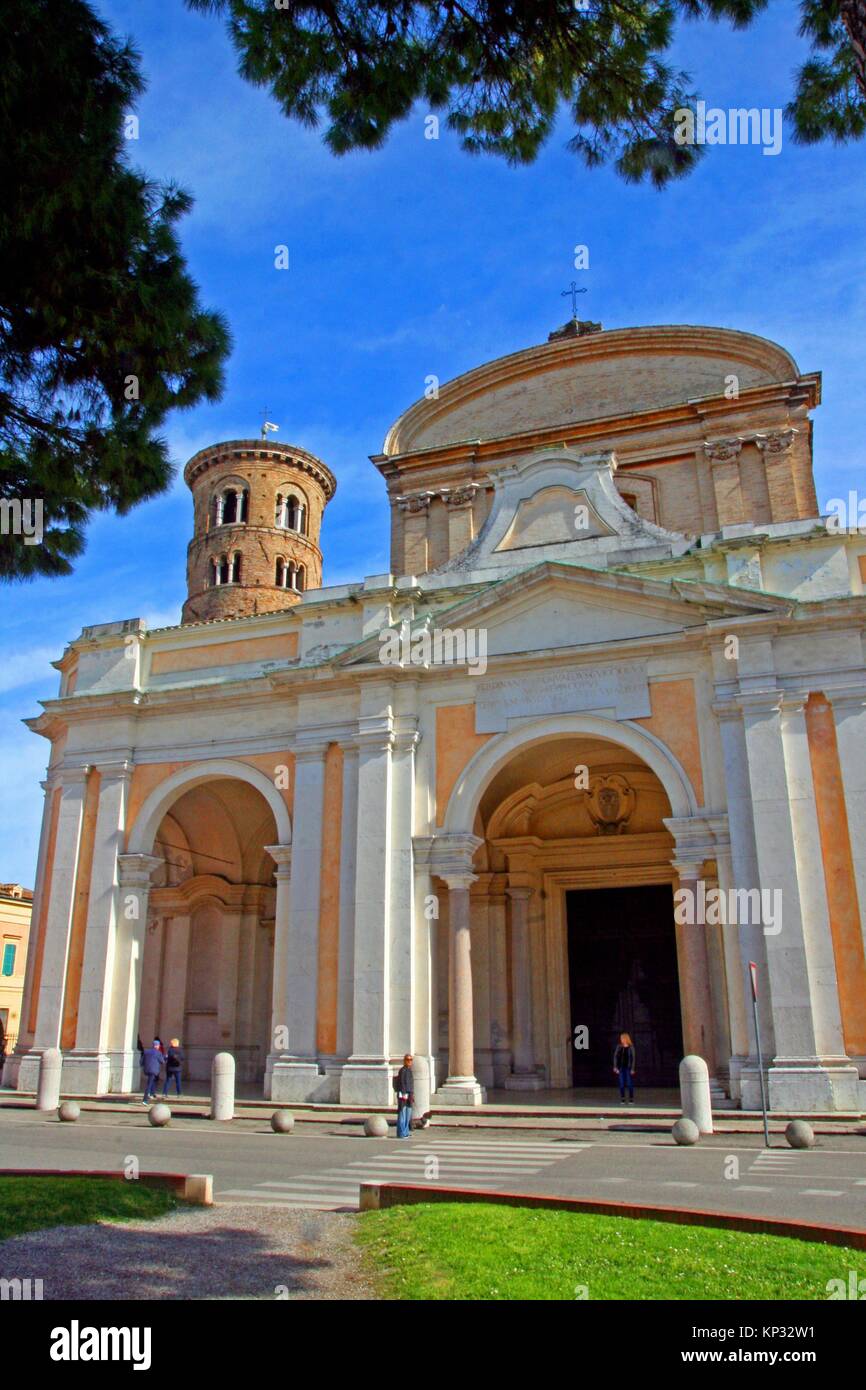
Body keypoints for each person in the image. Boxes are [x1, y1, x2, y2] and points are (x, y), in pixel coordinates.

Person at [394, 1054, 414, 1138]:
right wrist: (403, 1094)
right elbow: (402, 1083)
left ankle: (405, 1131)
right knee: (402, 1113)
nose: (409, 1061)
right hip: (404, 1095)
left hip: (409, 1094)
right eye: (407, 1059)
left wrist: (412, 1095)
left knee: (408, 1114)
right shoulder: (402, 1070)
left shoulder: (409, 1070)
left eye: (410, 1060)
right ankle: (401, 1133)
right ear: (404, 1060)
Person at [613, 1032, 636, 1103]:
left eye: (623, 1038)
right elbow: (615, 1057)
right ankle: (622, 1098)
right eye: (621, 1038)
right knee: (621, 1084)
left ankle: (631, 1098)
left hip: (628, 1068)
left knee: (629, 1084)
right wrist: (615, 1067)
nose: (622, 1040)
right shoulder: (619, 1046)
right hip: (621, 1068)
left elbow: (633, 1058)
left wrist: (632, 1068)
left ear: (626, 1039)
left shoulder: (631, 1047)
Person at [141, 1039, 163, 1104]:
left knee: (152, 1081)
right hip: (153, 1070)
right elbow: (162, 1061)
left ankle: (152, 1094)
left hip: (147, 1070)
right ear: (157, 1046)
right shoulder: (158, 1053)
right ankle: (145, 1100)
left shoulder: (146, 1051)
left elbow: (141, 1062)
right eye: (158, 1045)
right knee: (149, 1085)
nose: (159, 1046)